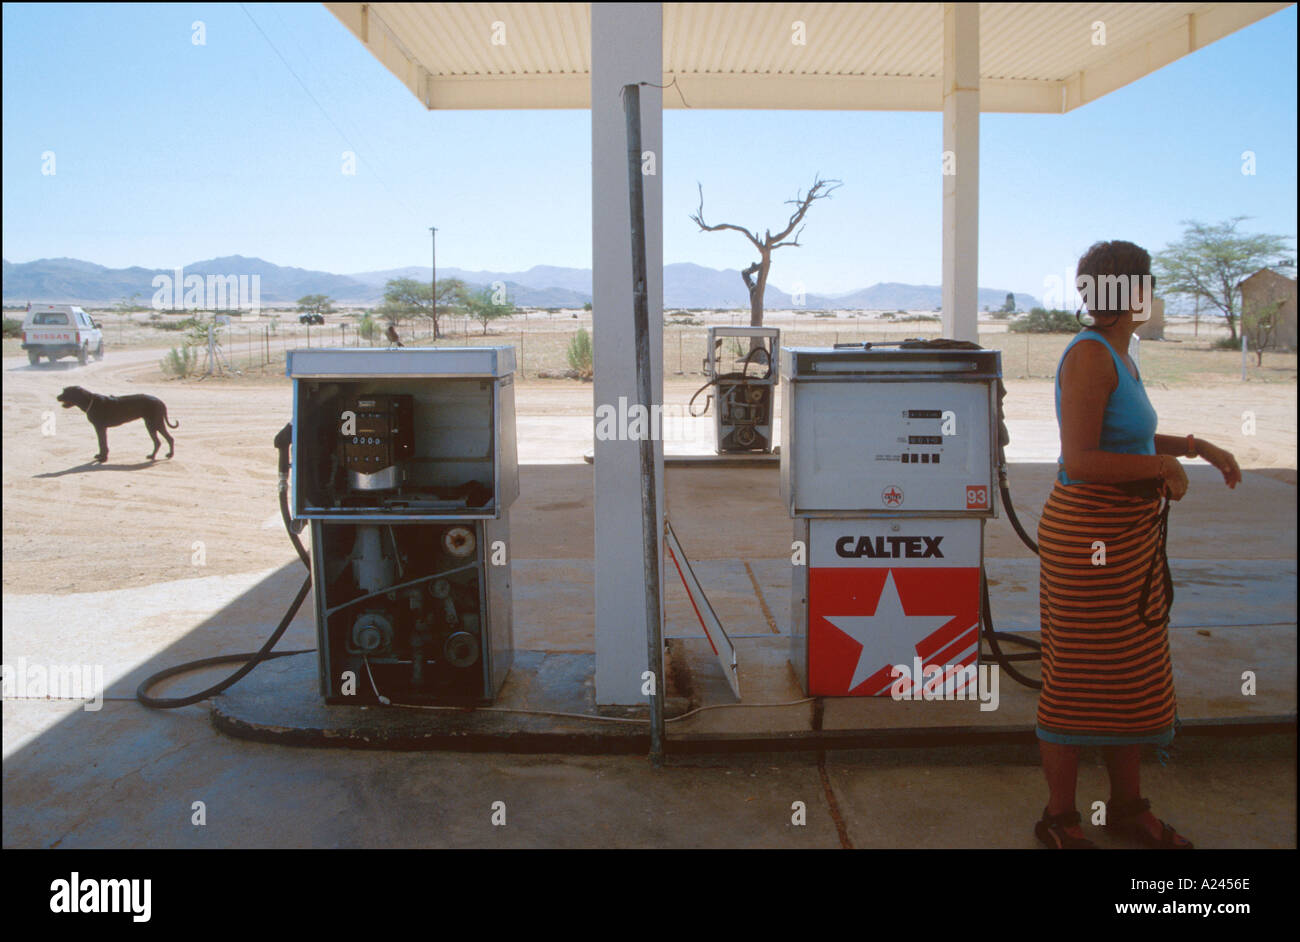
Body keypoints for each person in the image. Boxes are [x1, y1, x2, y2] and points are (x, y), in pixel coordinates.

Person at [1034, 240, 1241, 849]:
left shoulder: (1124, 353)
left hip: (1126, 543)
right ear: (1135, 294)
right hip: (1086, 543)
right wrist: (1159, 471)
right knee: (1076, 675)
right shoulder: (1090, 357)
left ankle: (1127, 807)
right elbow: (1081, 459)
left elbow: (1129, 435)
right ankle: (1060, 818)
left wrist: (1195, 448)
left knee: (1132, 674)